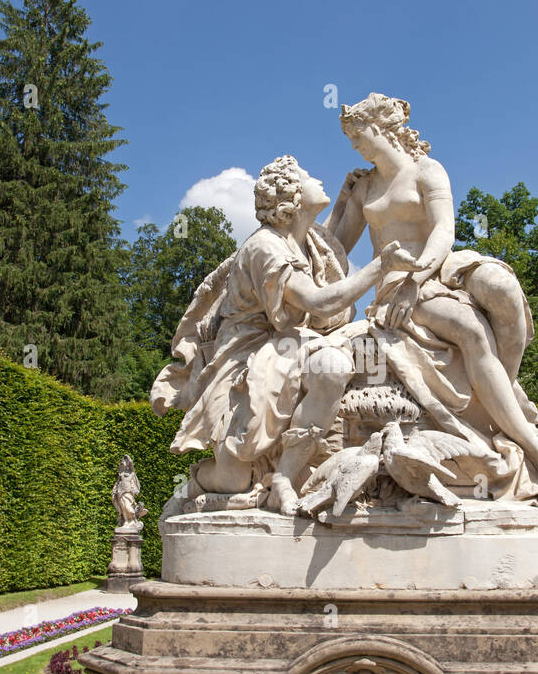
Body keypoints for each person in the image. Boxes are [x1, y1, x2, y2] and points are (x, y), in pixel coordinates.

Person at [328, 93, 538, 497]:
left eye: (357, 135)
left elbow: (445, 229)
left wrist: (419, 278)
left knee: (501, 288)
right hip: (395, 283)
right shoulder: (363, 189)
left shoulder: (427, 171)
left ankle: (502, 396)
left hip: (435, 267)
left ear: (379, 128)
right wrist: (340, 202)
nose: (354, 145)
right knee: (470, 328)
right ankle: (533, 446)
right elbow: (332, 250)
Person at [151, 154, 422, 513]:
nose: (318, 179)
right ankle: (194, 486)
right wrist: (381, 266)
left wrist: (345, 197)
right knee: (232, 479)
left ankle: (283, 479)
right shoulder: (265, 246)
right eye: (309, 176)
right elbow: (319, 302)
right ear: (292, 198)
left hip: (292, 344)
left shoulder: (307, 240)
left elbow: (335, 242)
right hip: (247, 357)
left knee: (332, 367)